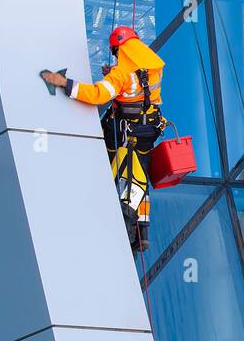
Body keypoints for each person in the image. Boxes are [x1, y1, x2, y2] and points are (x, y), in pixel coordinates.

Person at [41, 26, 165, 253]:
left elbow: (97, 95)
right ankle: (142, 233)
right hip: (148, 132)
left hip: (126, 134)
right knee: (140, 180)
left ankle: (124, 229)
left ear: (119, 49)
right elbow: (139, 91)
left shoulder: (121, 74)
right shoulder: (153, 69)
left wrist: (64, 84)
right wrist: (113, 77)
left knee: (121, 178)